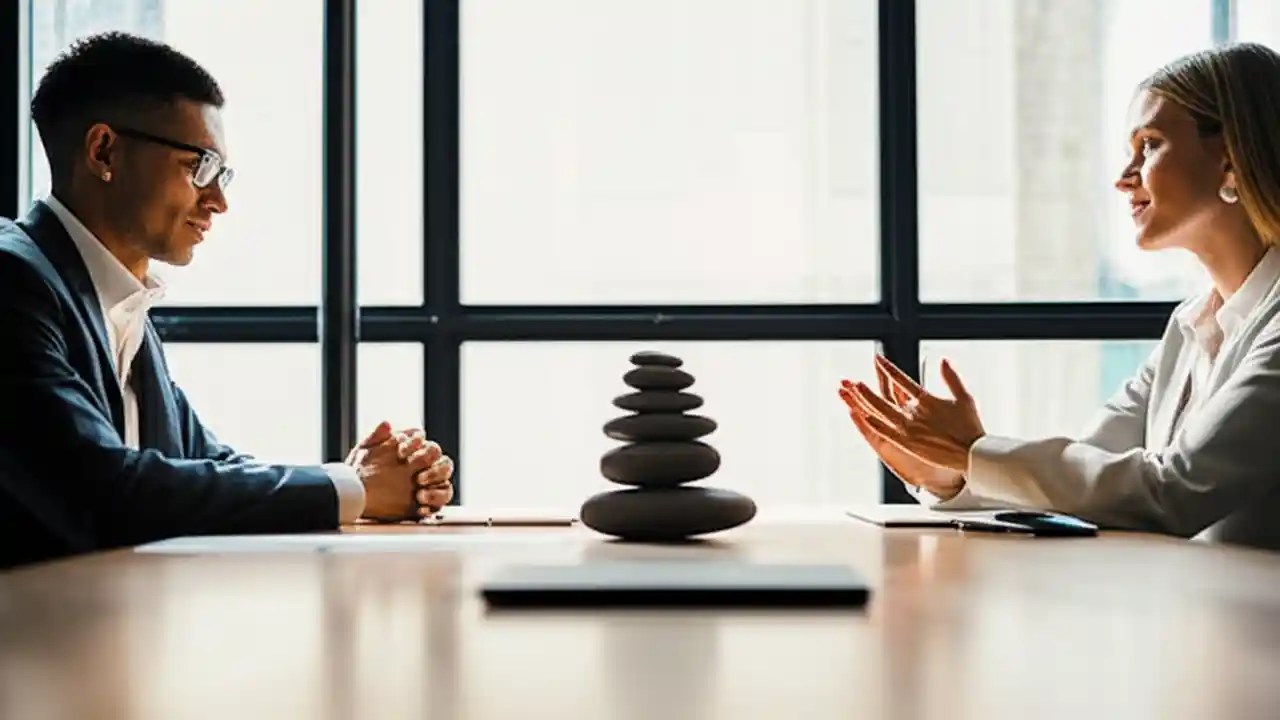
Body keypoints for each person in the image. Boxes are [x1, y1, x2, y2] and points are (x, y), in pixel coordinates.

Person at [0, 32, 454, 567]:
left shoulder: (121, 308)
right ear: (104, 151)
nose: (218, 202)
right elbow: (105, 493)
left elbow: (205, 463)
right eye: (201, 168)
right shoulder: (14, 282)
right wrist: (351, 488)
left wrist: (355, 478)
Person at [840, 42, 1280, 551]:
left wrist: (972, 451)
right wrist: (951, 473)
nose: (1123, 178)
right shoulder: (1191, 324)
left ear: (1231, 164)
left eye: (1151, 145)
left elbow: (1173, 492)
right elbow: (1089, 476)